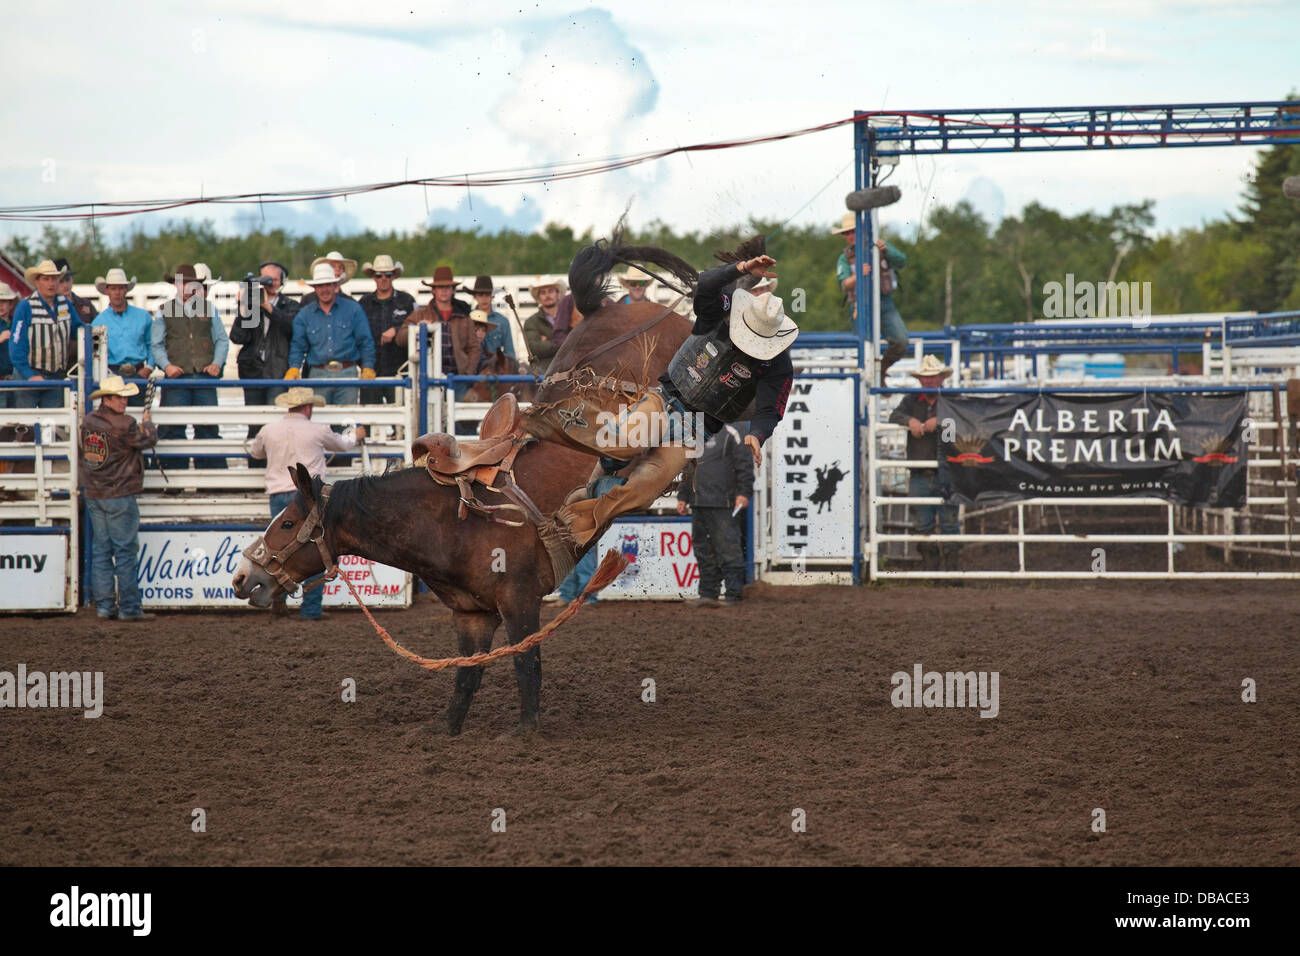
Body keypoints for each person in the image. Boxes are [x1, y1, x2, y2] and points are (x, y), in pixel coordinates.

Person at [544, 239, 796, 563]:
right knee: (621, 440)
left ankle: (588, 505)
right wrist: (742, 268)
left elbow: (771, 408)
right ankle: (599, 475)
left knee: (643, 491)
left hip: (695, 429)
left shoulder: (777, 364)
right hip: (665, 399)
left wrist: (758, 434)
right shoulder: (719, 314)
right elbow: (706, 284)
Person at [248, 386, 365, 621]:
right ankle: (310, 609)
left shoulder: (268, 430)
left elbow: (255, 452)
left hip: (278, 493)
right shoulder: (317, 430)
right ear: (308, 408)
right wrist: (356, 435)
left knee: (278, 548)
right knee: (313, 549)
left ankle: (276, 598)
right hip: (307, 497)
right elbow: (343, 445)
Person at [79, 374, 159, 621]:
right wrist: (148, 423)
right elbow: (148, 439)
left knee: (102, 550)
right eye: (119, 397)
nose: (124, 401)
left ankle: (104, 606)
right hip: (119, 493)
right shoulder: (125, 424)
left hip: (95, 492)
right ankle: (129, 608)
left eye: (124, 397)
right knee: (124, 551)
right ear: (107, 399)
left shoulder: (89, 421)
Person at [151, 264, 230, 470]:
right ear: (175, 285)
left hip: (204, 377)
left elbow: (222, 339)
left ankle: (210, 478)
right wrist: (167, 366)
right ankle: (174, 477)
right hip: (177, 378)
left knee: (207, 428)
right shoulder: (164, 310)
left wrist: (216, 363)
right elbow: (156, 344)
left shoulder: (208, 308)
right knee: (173, 428)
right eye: (182, 283)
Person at [888, 354, 961, 573]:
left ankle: (950, 572)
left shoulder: (952, 399)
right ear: (920, 380)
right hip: (921, 471)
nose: (928, 381)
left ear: (941, 378)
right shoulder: (911, 400)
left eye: (932, 377)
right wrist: (910, 420)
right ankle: (933, 571)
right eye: (925, 377)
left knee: (949, 523)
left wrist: (940, 421)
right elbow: (894, 415)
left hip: (947, 472)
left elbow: (965, 418)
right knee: (923, 525)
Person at [676, 423, 754, 606]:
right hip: (699, 502)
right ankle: (708, 593)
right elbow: (688, 467)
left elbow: (744, 463)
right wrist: (682, 497)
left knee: (728, 548)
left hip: (723, 502)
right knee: (703, 550)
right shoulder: (697, 430)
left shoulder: (734, 430)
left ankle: (733, 594)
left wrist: (744, 492)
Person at [229, 260, 299, 465]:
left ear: (281, 281)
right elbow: (238, 337)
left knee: (276, 424)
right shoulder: (251, 305)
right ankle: (255, 471)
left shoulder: (290, 305)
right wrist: (244, 308)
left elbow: (291, 329)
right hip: (252, 371)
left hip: (278, 372)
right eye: (264, 279)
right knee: (255, 425)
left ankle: (277, 470)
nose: (268, 284)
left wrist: (267, 306)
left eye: (272, 279)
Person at [285, 263, 376, 406]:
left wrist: (368, 366)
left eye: (328, 285)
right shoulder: (304, 315)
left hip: (347, 372)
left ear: (335, 286)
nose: (324, 290)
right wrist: (294, 368)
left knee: (346, 417)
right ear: (315, 288)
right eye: (320, 286)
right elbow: (298, 346)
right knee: (319, 417)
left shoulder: (353, 309)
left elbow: (365, 342)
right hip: (318, 373)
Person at [833, 212, 909, 382]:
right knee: (864, 347)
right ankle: (868, 381)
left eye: (853, 231)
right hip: (860, 305)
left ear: (862, 230)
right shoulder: (845, 258)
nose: (850, 236)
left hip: (885, 303)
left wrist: (887, 250)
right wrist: (858, 275)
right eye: (846, 233)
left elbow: (902, 261)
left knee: (901, 341)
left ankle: (880, 371)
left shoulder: (880, 247)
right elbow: (844, 284)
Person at [9, 259, 86, 408]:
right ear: (37, 282)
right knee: (25, 419)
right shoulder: (26, 306)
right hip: (29, 374)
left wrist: (94, 336)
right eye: (46, 279)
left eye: (54, 279)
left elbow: (78, 330)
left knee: (54, 420)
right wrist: (29, 375)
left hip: (56, 376)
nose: (51, 283)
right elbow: (16, 345)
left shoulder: (65, 304)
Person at [394, 266, 472, 398]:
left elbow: (474, 347)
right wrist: (416, 329)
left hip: (458, 378)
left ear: (453, 290)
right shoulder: (419, 315)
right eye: (440, 287)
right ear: (433, 290)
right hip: (430, 377)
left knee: (459, 411)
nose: (444, 291)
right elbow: (400, 339)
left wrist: (467, 374)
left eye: (447, 287)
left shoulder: (464, 317)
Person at [357, 254, 416, 404]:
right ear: (374, 277)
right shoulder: (363, 303)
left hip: (400, 371)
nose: (383, 278)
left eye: (388, 274)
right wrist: (363, 365)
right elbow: (356, 335)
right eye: (379, 275)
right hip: (371, 371)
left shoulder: (407, 301)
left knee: (402, 415)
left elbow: (417, 325)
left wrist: (397, 330)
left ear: (393, 276)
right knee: (369, 414)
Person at [92, 269, 153, 406]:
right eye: (113, 288)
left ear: (126, 290)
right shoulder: (98, 322)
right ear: (107, 291)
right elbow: (95, 354)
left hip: (139, 373)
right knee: (114, 414)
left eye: (120, 288)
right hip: (111, 375)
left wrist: (148, 368)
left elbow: (152, 344)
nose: (117, 292)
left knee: (137, 414)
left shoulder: (143, 317)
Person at [462, 275, 517, 364]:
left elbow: (510, 353)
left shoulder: (503, 322)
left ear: (492, 296)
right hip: (471, 365)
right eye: (480, 294)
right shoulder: (467, 319)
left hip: (495, 367)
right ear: (475, 296)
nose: (484, 298)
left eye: (487, 294)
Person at [522, 276, 567, 376]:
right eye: (543, 292)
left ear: (558, 294)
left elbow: (575, 344)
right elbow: (534, 348)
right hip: (544, 373)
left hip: (568, 370)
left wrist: (547, 342)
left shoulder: (569, 318)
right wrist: (562, 342)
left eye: (551, 291)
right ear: (538, 298)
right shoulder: (531, 322)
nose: (547, 295)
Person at [53, 258, 97, 325]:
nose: (65, 285)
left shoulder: (86, 304)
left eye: (67, 280)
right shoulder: (52, 306)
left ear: (72, 279)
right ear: (54, 283)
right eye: (61, 281)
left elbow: (98, 326)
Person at [0, 283, 16, 409]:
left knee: (17, 417)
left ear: (11, 304)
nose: (0, 305)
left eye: (4, 301)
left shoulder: (17, 323)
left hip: (16, 381)